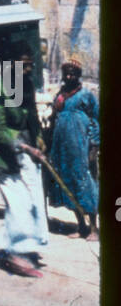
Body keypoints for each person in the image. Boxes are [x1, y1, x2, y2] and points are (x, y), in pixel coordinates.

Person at [0, 47, 49, 278]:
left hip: (25, 151)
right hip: (3, 153)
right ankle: (15, 253)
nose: (29, 70)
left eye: (31, 65)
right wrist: (25, 146)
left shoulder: (26, 85)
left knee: (34, 200)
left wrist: (38, 140)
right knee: (18, 202)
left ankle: (26, 246)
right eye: (24, 65)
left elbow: (32, 116)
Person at [45, 56, 99, 239]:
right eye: (66, 73)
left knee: (84, 181)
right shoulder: (60, 94)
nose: (69, 76)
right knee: (66, 181)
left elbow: (97, 120)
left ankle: (93, 227)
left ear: (78, 75)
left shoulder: (86, 95)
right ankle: (81, 225)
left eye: (73, 73)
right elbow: (53, 118)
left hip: (80, 145)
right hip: (62, 146)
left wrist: (94, 147)